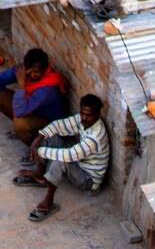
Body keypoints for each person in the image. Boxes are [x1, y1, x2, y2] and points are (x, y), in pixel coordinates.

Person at [16, 94, 110, 222]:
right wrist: (38, 138)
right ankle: (40, 175)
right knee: (50, 136)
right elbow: (59, 125)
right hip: (79, 161)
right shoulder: (83, 120)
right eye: (82, 113)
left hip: (88, 180)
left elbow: (69, 155)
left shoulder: (95, 137)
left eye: (89, 115)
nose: (84, 118)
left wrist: (41, 151)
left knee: (61, 160)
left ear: (98, 115)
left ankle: (49, 201)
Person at [0, 48, 68, 149]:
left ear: (45, 69)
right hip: (31, 109)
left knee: (19, 122)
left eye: (36, 72)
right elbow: (0, 79)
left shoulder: (47, 89)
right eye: (29, 70)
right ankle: (24, 132)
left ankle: (37, 150)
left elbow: (19, 111)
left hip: (49, 123)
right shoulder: (25, 71)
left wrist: (21, 86)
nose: (31, 75)